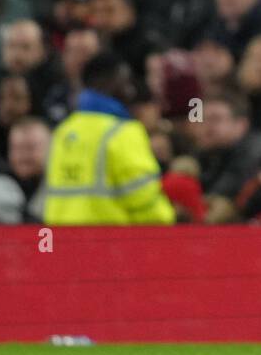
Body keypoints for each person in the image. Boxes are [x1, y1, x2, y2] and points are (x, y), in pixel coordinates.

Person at [39, 51, 174, 225]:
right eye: (124, 83)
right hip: (109, 242)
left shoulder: (63, 131)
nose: (130, 91)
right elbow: (143, 198)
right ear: (108, 84)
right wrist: (169, 220)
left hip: (62, 241)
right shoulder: (123, 132)